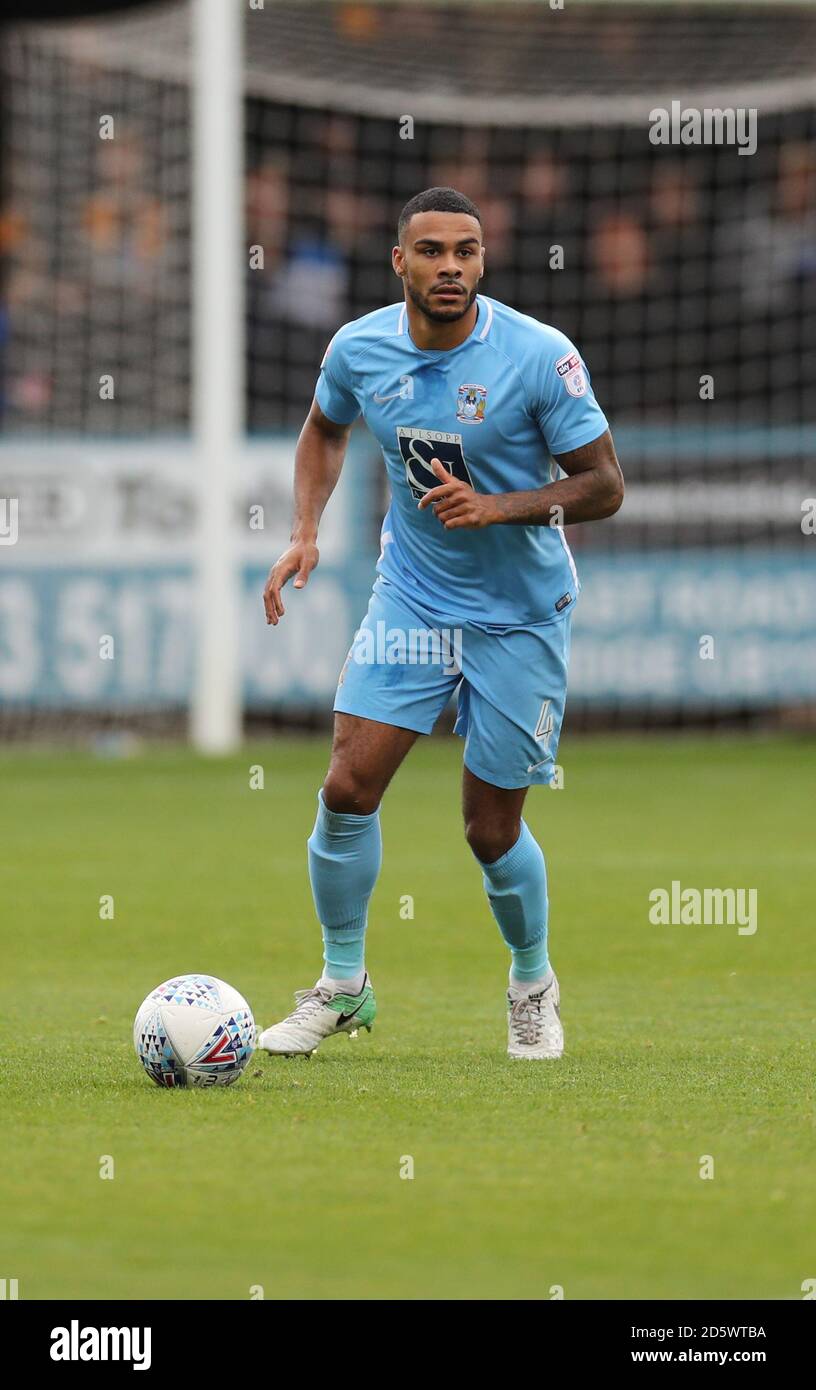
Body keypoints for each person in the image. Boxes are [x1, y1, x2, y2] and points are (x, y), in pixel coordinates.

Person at [260, 186, 623, 1061]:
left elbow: (605, 485)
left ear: (482, 262)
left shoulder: (538, 356)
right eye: (431, 251)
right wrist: (307, 527)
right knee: (347, 786)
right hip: (413, 600)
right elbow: (322, 428)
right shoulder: (359, 347)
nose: (450, 266)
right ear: (401, 263)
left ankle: (532, 984)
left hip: (520, 614)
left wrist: (498, 508)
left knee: (489, 830)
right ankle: (343, 986)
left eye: (466, 251)